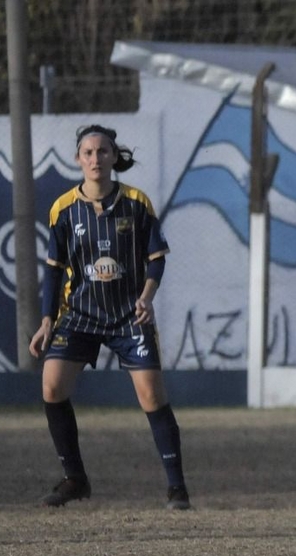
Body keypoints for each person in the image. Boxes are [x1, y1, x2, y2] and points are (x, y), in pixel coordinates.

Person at [29, 124, 190, 511]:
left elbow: (156, 260)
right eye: (88, 152)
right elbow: (53, 270)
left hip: (128, 315)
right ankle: (75, 478)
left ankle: (177, 488)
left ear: (114, 157)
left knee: (151, 395)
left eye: (103, 151)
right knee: (52, 386)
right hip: (80, 314)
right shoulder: (63, 209)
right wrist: (47, 319)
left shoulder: (136, 203)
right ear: (77, 159)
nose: (95, 158)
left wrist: (146, 297)